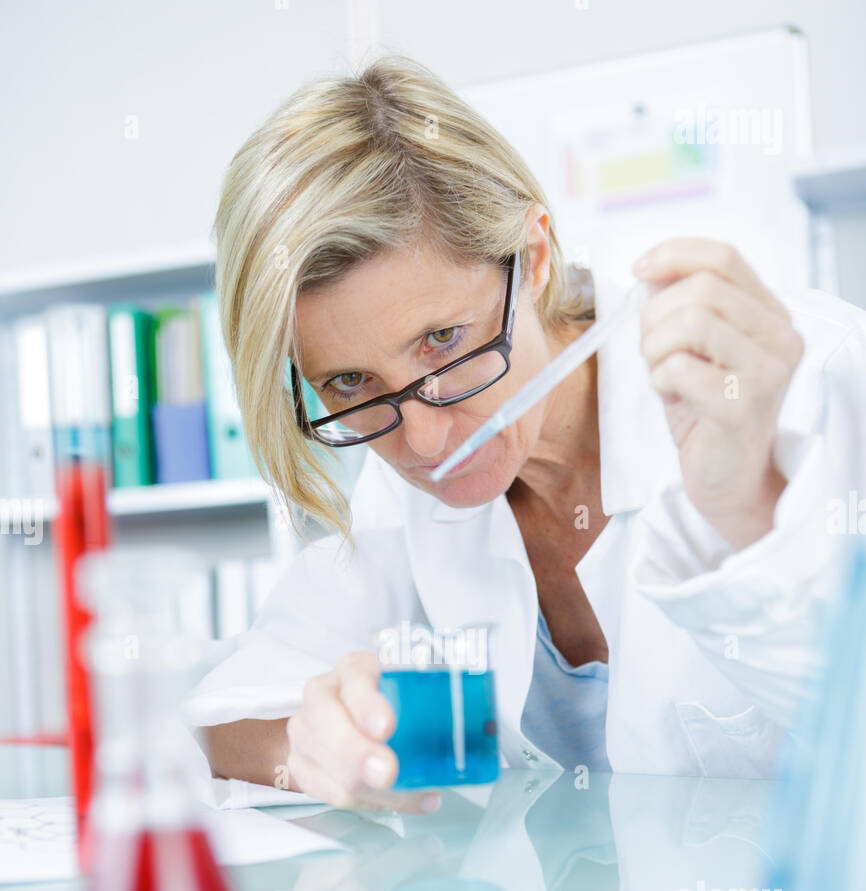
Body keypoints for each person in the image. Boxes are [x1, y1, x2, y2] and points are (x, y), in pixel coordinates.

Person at [186, 55, 866, 813]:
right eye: (350, 382)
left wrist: (748, 509)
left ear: (533, 257)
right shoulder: (395, 493)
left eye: (443, 339)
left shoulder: (812, 378)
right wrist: (307, 748)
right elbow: (221, 722)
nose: (426, 441)